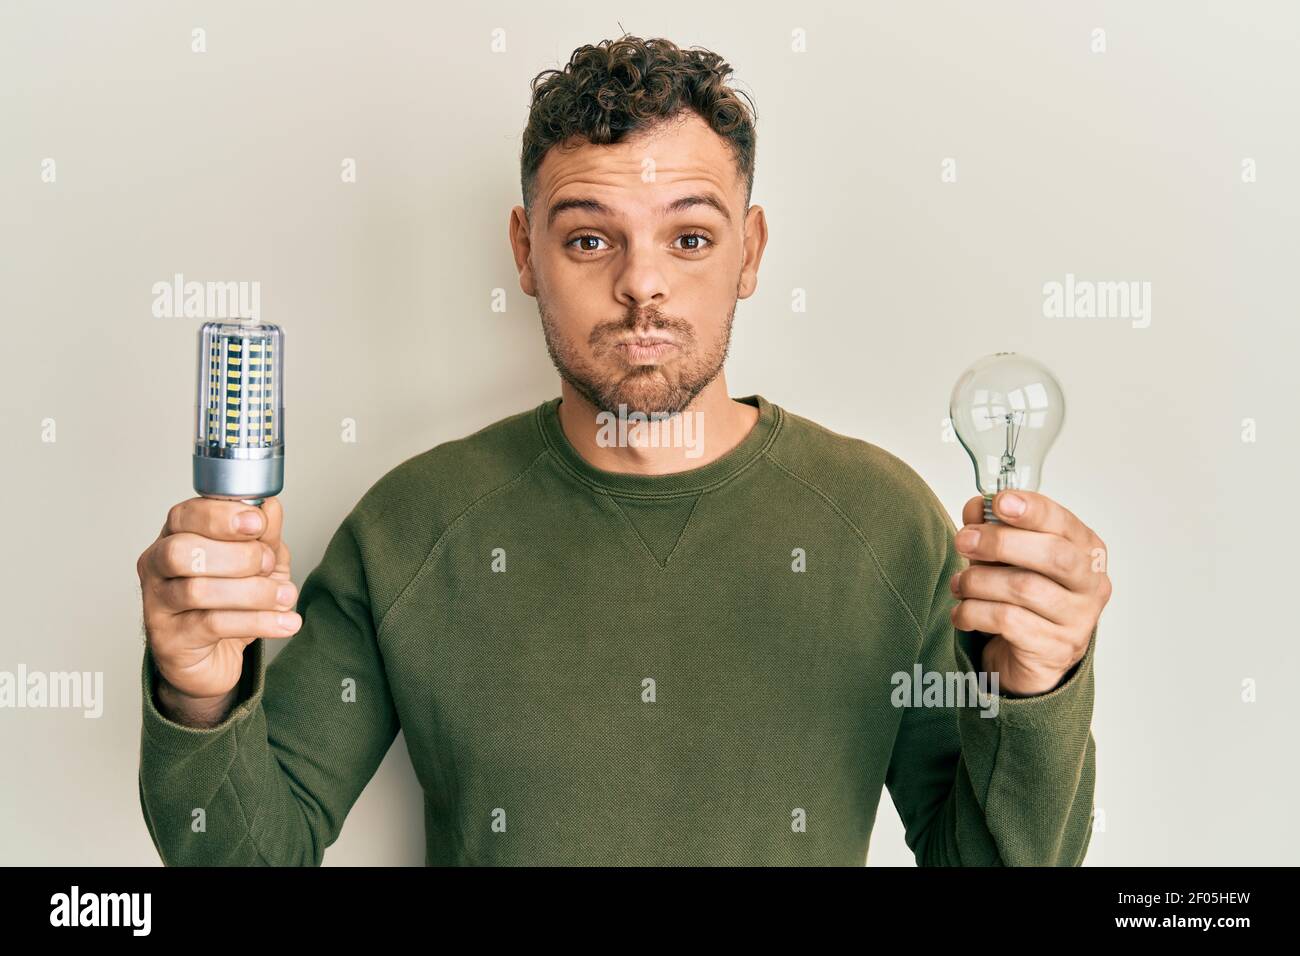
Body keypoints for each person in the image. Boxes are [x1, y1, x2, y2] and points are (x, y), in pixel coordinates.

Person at [136, 35, 1111, 866]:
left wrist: (1037, 684)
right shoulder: (411, 527)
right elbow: (249, 851)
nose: (643, 286)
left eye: (689, 238)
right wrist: (197, 688)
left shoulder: (886, 521)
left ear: (752, 251)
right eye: (590, 240)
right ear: (524, 252)